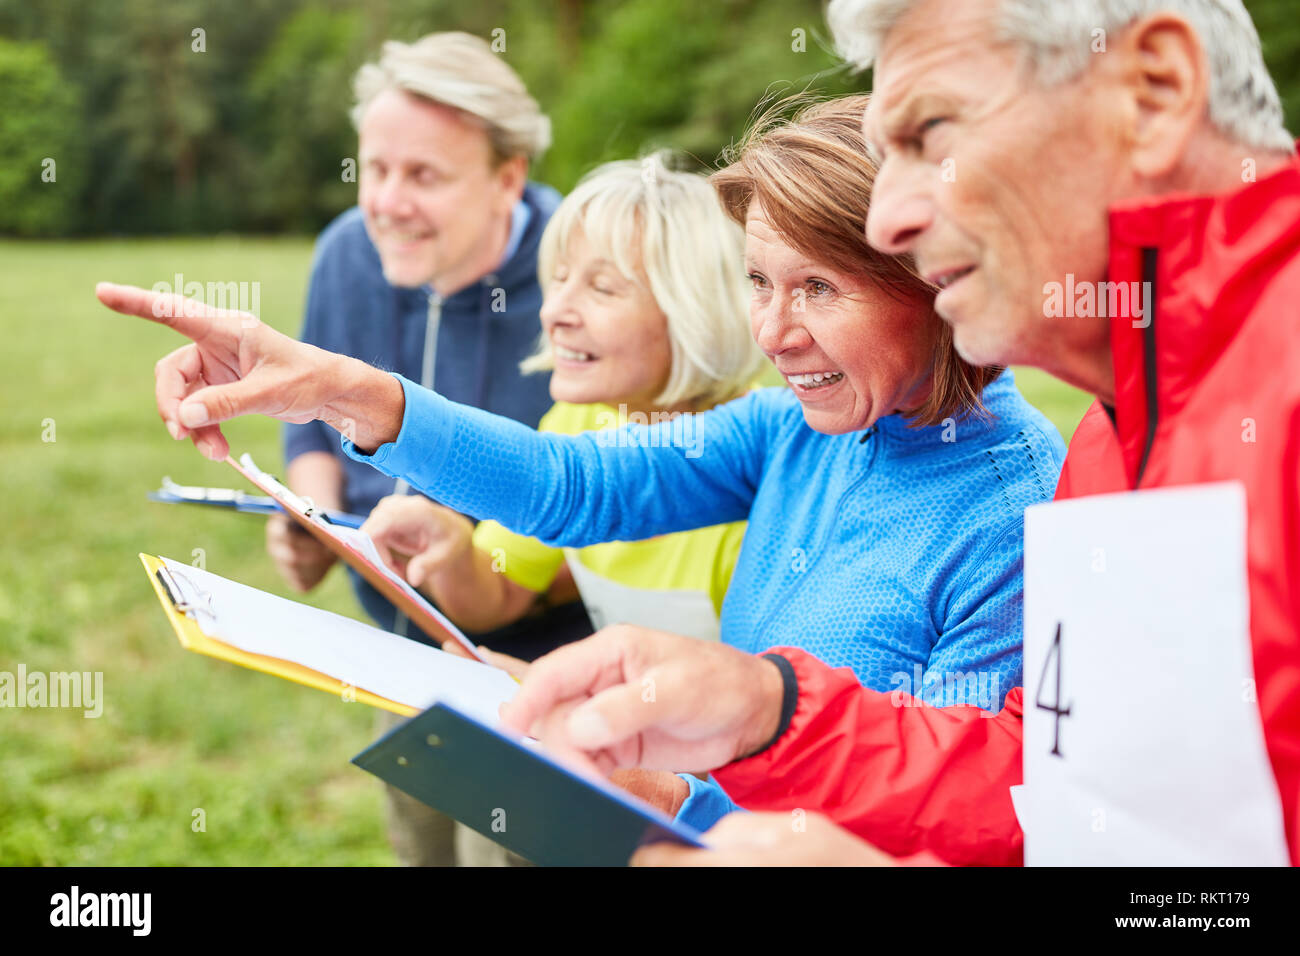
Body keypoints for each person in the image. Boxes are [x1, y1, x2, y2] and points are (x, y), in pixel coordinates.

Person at [95, 94, 1066, 842]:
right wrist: (335, 388)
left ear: (933, 278)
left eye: (819, 286)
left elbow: (941, 819)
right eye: (759, 282)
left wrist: (668, 801)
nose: (771, 331)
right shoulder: (792, 428)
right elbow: (570, 484)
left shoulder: (1016, 514)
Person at [486, 0, 1300, 867]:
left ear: (1156, 91)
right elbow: (1102, 806)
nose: (889, 222)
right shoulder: (1114, 431)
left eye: (932, 134)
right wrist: (769, 714)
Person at [272, 30, 587, 867]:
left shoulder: (580, 270)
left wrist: (486, 579)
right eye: (375, 169)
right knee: (422, 843)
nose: (387, 202)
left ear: (507, 176)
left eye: (424, 176)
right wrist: (316, 517)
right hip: (402, 645)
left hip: (542, 661)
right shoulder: (348, 251)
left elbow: (614, 479)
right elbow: (309, 419)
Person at [360, 157, 765, 652]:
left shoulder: (762, 470)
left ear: (695, 311)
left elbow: (770, 697)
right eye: (561, 279)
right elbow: (500, 596)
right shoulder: (579, 423)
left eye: (601, 287)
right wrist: (456, 552)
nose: (553, 312)